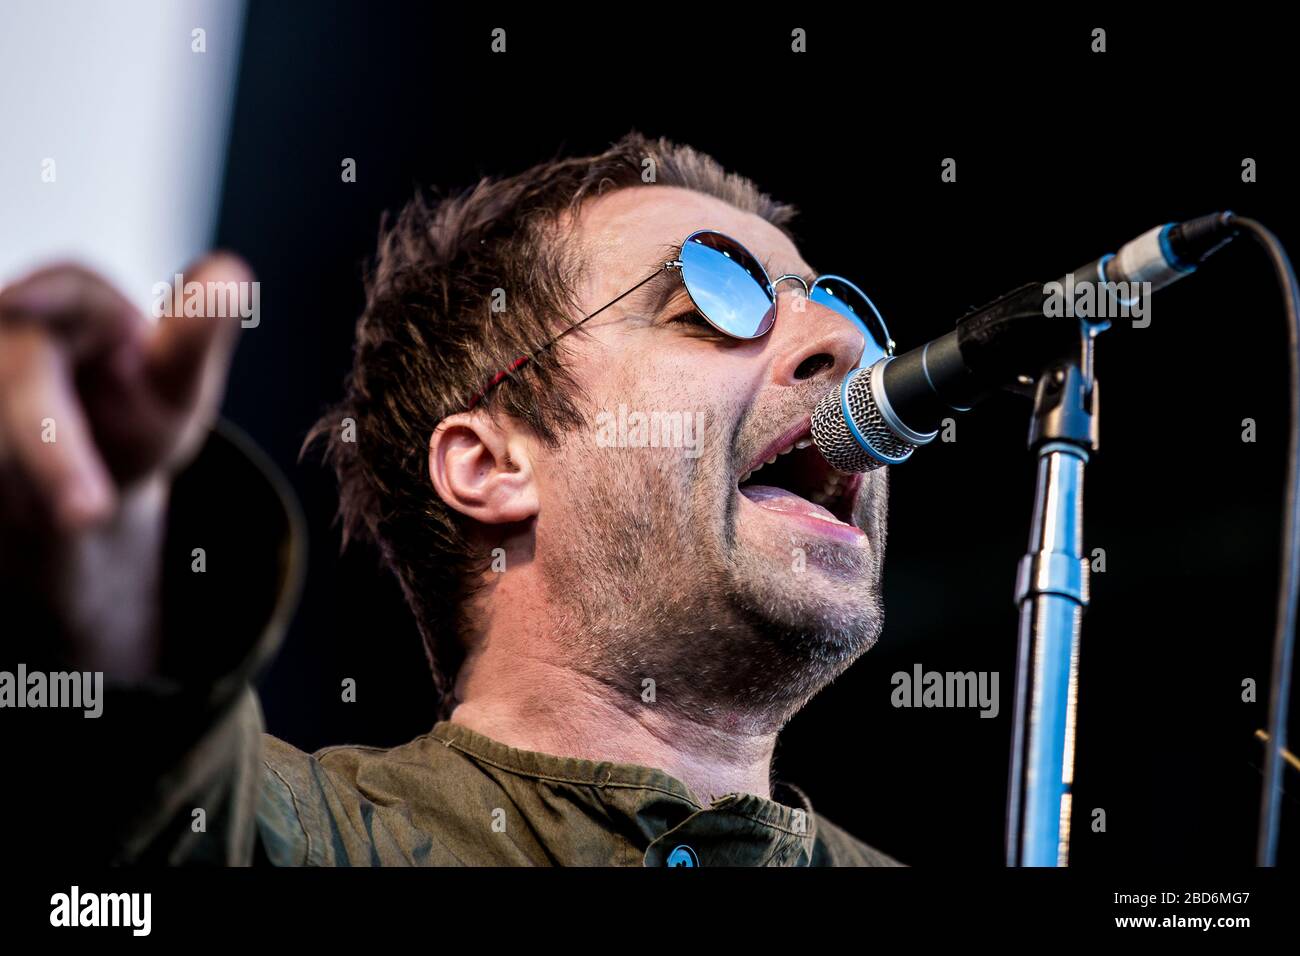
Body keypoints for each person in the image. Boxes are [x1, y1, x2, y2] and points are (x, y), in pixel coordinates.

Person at [0, 133, 900, 866]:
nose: (842, 347)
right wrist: (107, 619)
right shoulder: (297, 839)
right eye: (713, 295)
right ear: (488, 464)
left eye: (840, 311)